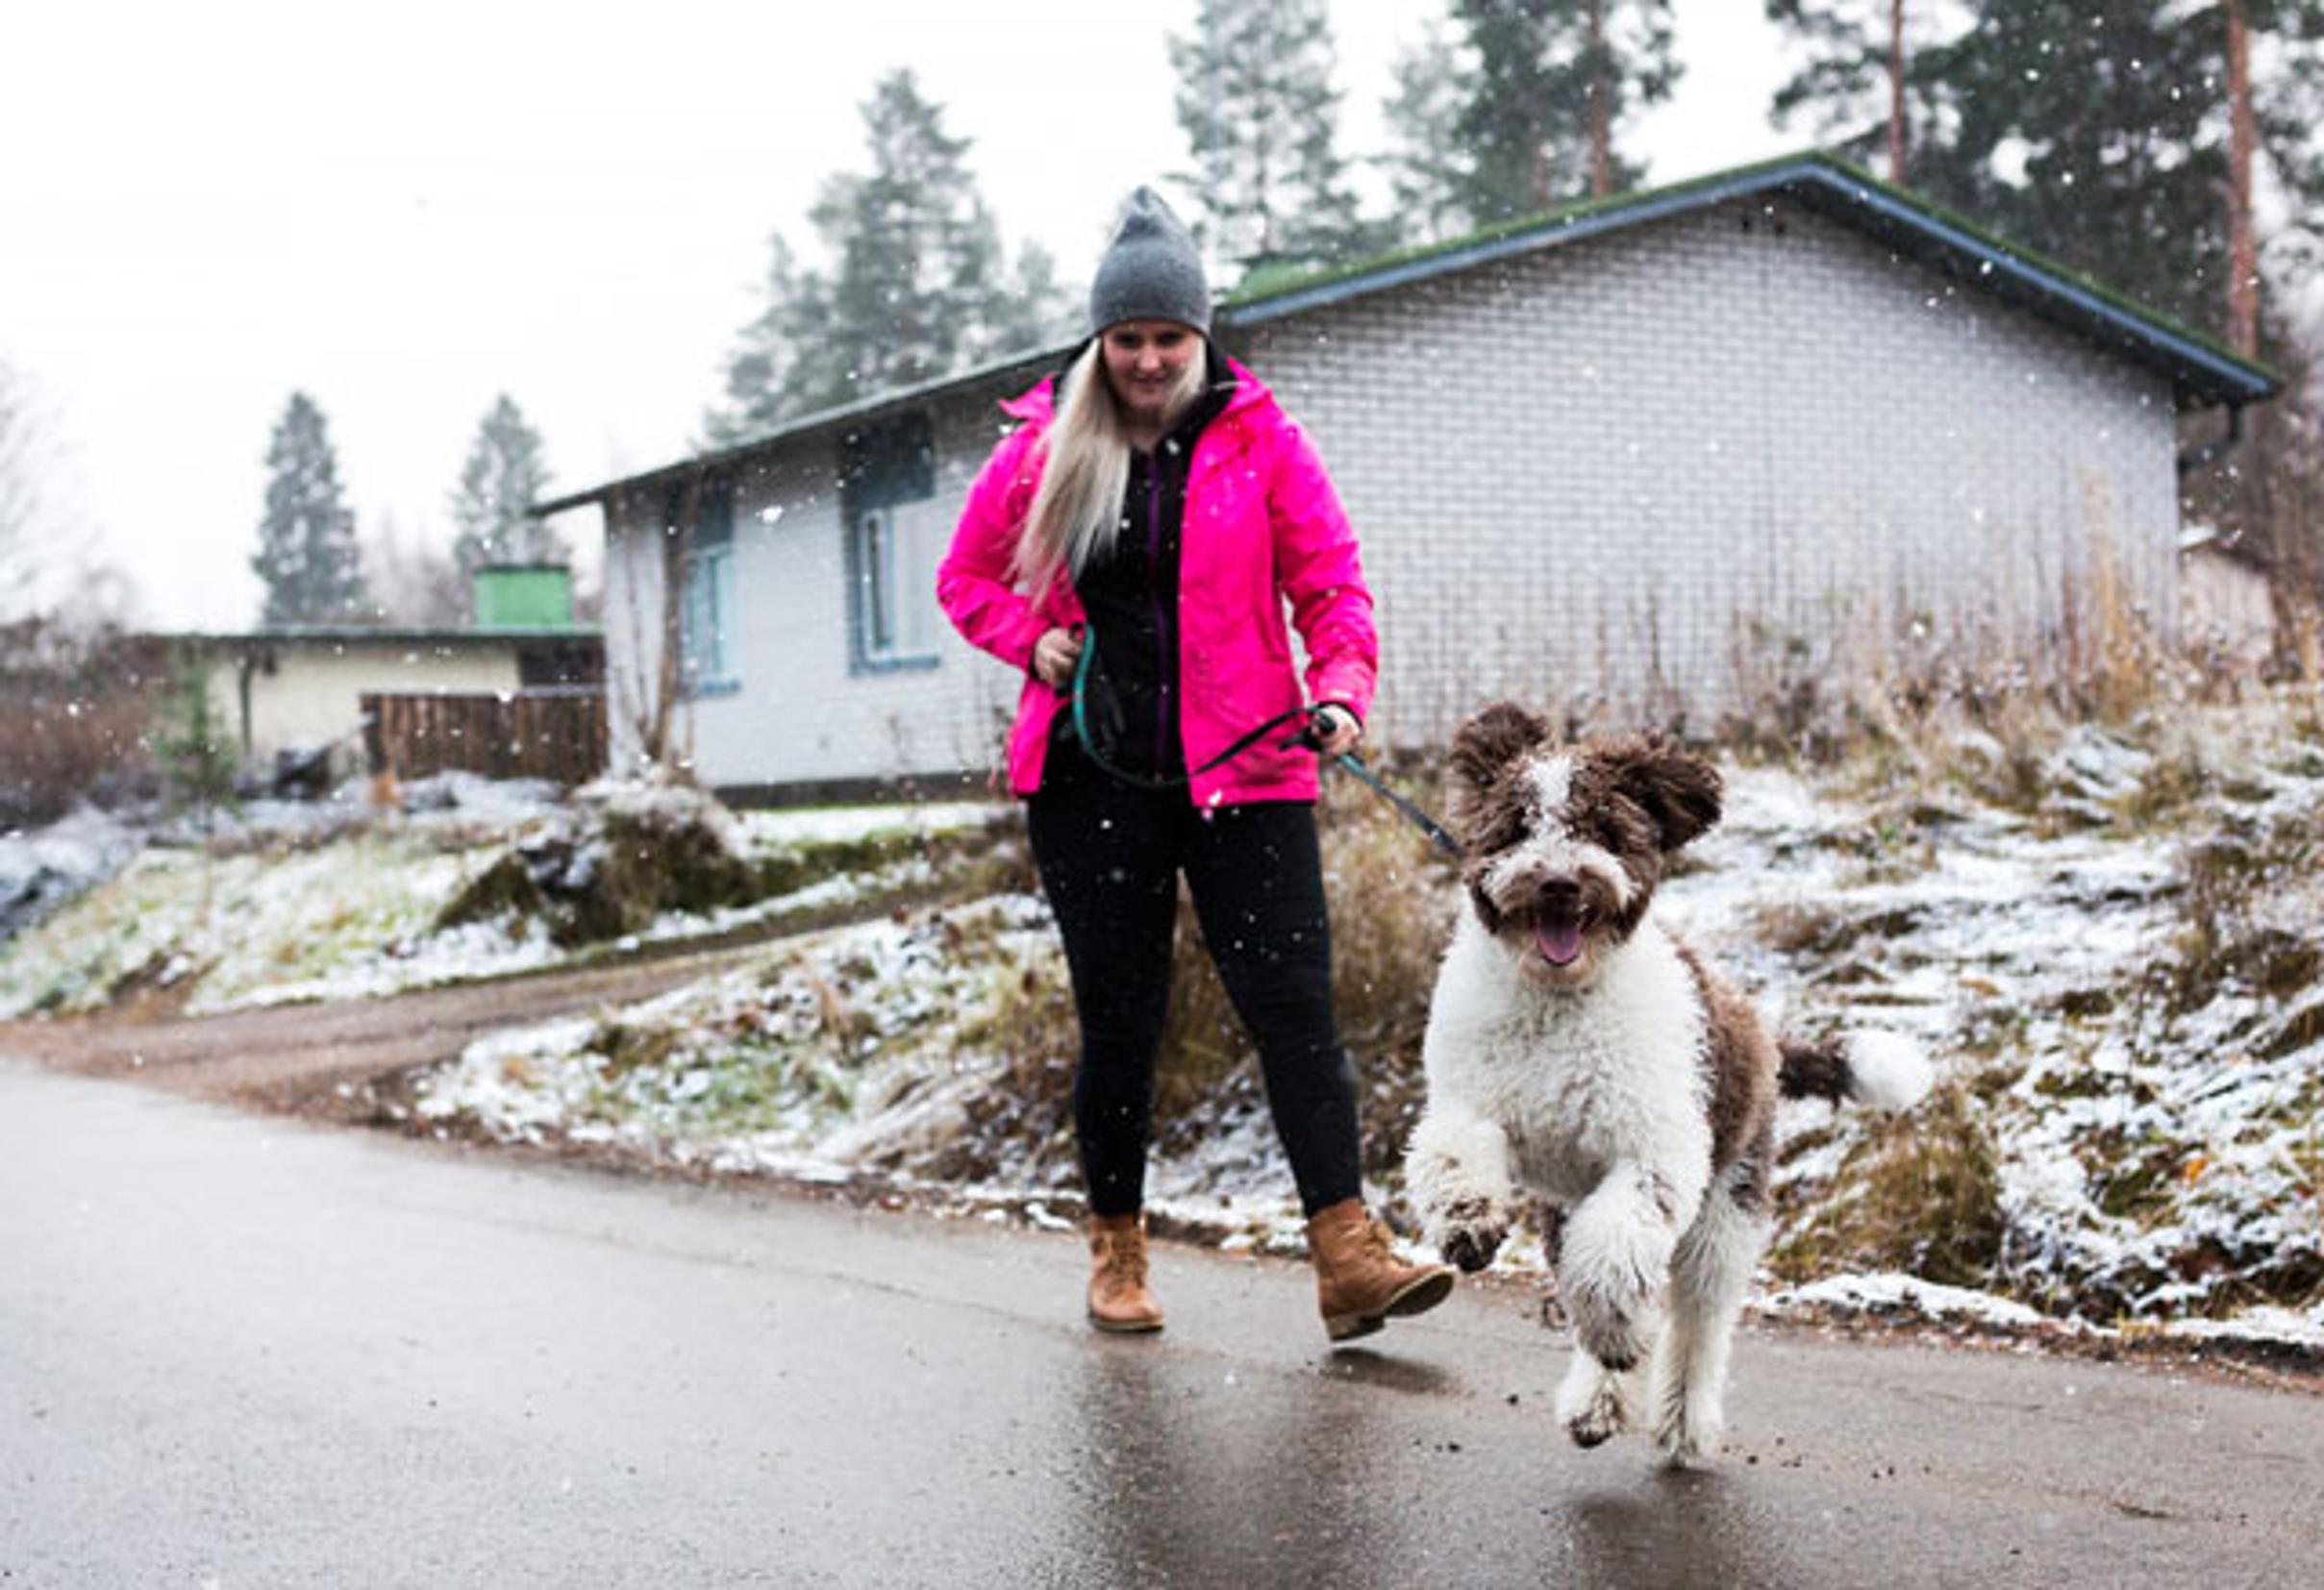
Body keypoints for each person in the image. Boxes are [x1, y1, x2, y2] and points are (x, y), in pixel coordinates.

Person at [937, 187, 1455, 1342]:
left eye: (1168, 337)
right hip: (1092, 780)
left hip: (1249, 769)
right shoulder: (1041, 449)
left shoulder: (1261, 439)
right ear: (1100, 342)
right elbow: (963, 579)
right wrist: (1033, 638)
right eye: (1129, 339)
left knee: (1293, 1009)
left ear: (1201, 335)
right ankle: (1116, 1254)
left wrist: (1337, 689)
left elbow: (1332, 587)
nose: (1149, 360)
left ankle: (1346, 1255)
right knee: (1121, 1021)